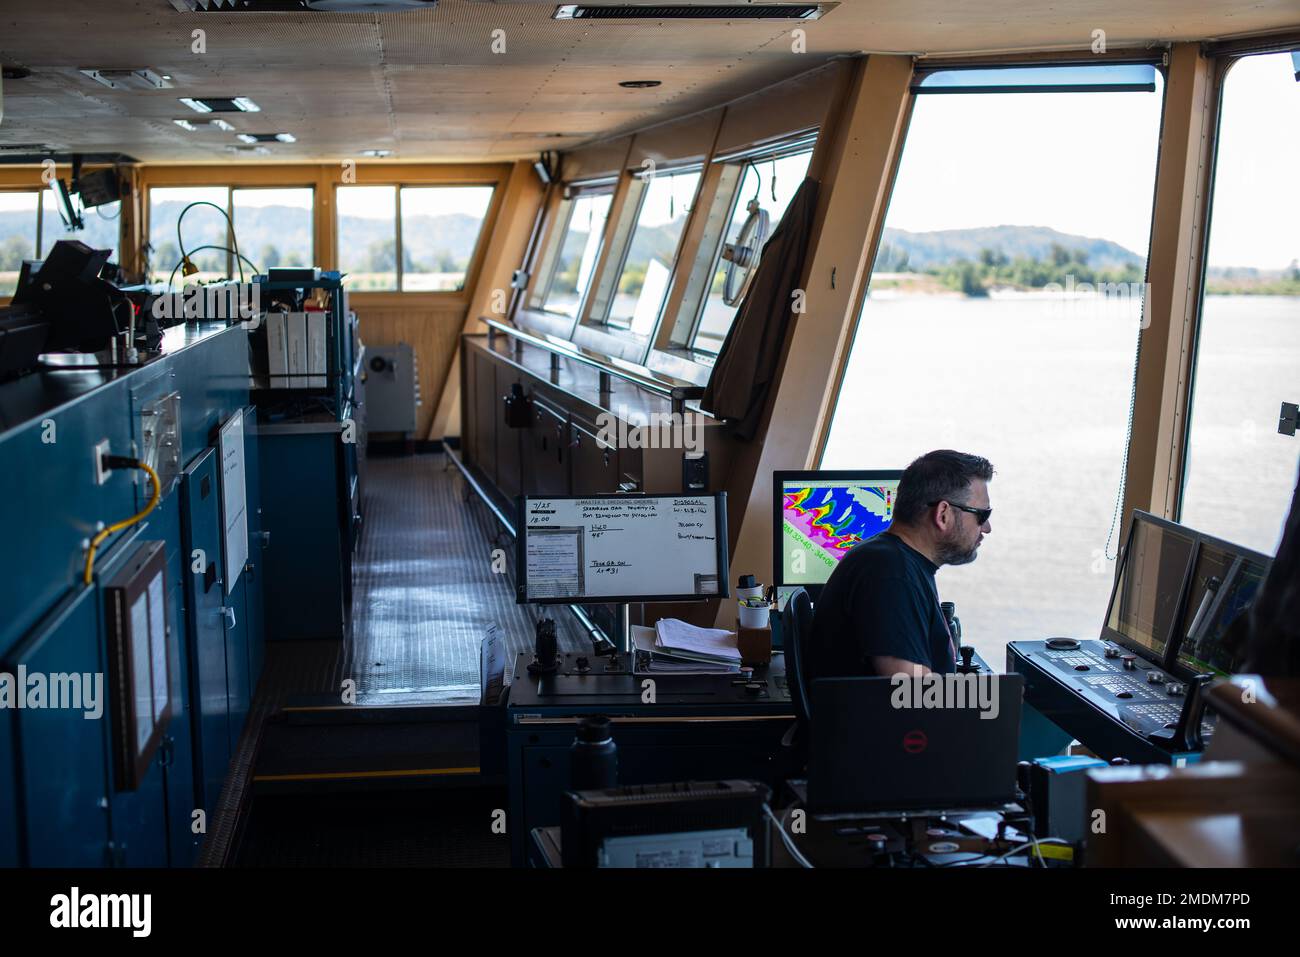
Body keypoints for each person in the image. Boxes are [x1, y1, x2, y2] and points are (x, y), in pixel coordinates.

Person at [807, 449, 994, 678]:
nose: (986, 528)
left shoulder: (890, 559)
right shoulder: (891, 575)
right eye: (982, 516)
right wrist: (996, 697)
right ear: (943, 514)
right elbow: (911, 691)